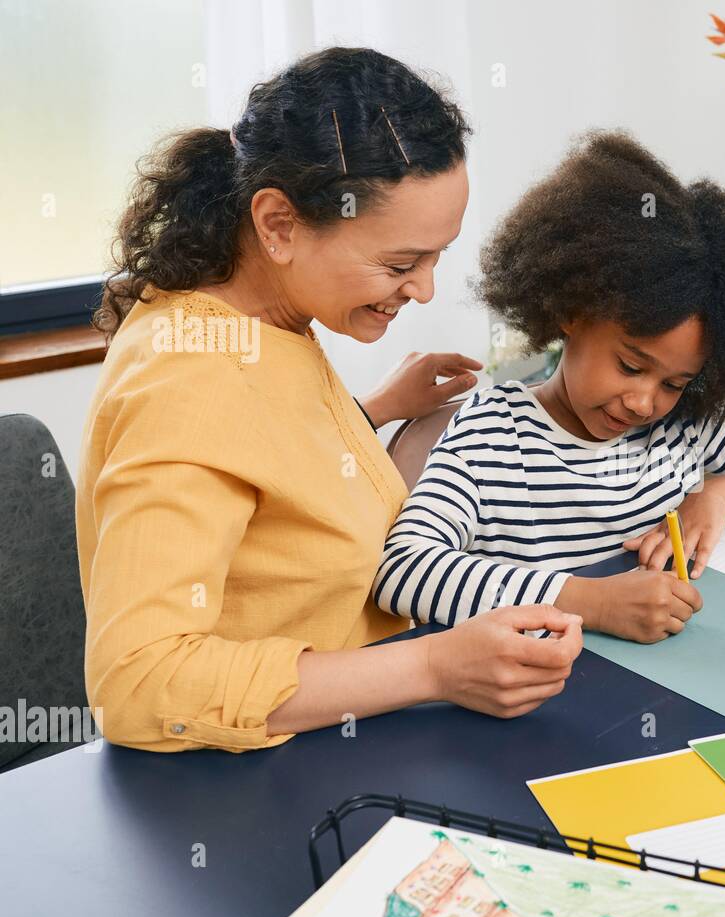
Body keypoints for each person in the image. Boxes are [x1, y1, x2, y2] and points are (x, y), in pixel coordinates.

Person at [78, 47, 581, 754]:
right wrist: (434, 666)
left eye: (436, 256)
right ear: (279, 225)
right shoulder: (189, 381)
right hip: (258, 781)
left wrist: (370, 410)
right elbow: (139, 685)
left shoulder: (257, 323)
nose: (424, 289)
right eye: (401, 263)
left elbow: (260, 467)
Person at [373, 132, 725, 644]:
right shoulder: (491, 434)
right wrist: (591, 602)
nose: (644, 403)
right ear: (572, 313)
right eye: (630, 365)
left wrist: (721, 494)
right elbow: (403, 571)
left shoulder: (683, 423)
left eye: (675, 382)